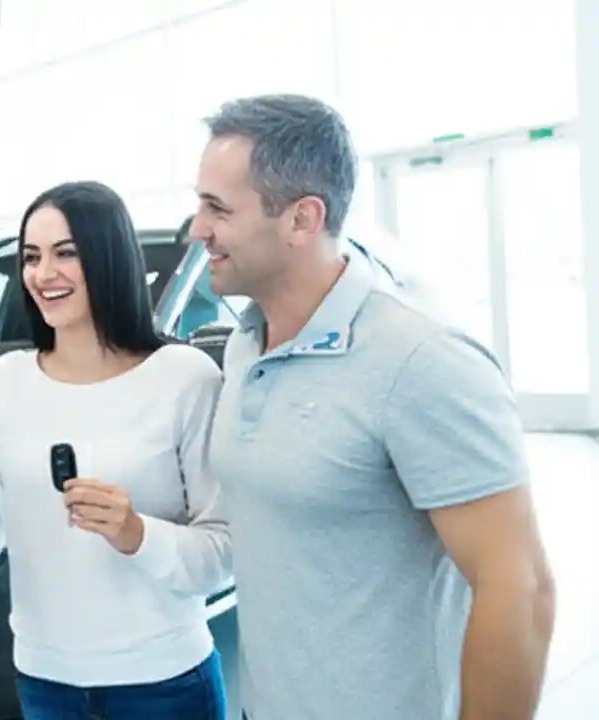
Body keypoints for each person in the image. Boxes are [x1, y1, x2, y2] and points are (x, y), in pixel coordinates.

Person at [188, 94, 556, 720]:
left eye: (217, 208)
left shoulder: (422, 363)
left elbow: (519, 590)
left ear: (303, 219)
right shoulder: (246, 344)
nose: (197, 229)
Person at [0, 181, 232, 719]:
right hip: (46, 683)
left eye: (66, 253)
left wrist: (135, 533)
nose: (42, 274)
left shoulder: (185, 377)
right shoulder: (5, 381)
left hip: (162, 683)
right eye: (31, 257)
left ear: (107, 257)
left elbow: (222, 553)